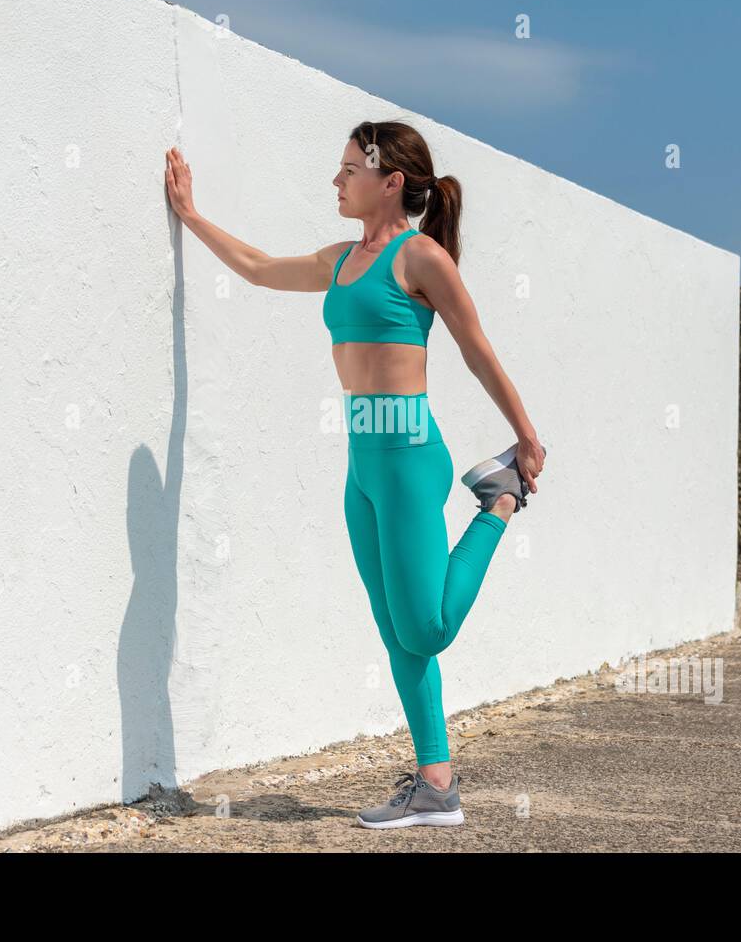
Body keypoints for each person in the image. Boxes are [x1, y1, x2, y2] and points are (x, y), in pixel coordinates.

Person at [163, 119, 546, 829]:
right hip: (362, 467)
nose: (336, 182)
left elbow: (477, 348)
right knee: (397, 635)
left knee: (427, 628)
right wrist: (191, 216)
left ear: (390, 179)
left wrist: (525, 435)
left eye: (348, 170)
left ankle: (497, 503)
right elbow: (256, 266)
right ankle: (436, 783)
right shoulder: (340, 261)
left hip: (408, 458)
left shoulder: (422, 258)